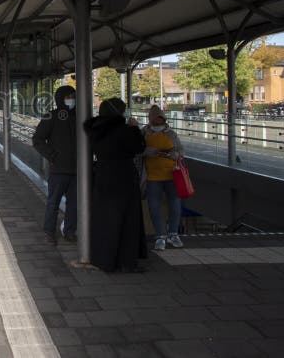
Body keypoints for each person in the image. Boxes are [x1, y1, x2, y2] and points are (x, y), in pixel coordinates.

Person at [84, 97, 148, 273]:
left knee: (105, 218)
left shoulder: (94, 129)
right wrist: (135, 129)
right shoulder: (123, 130)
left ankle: (104, 259)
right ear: (117, 112)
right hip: (123, 176)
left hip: (103, 175)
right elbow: (138, 148)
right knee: (127, 219)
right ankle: (126, 261)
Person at [32, 85, 77, 245]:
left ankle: (69, 231)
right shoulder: (50, 116)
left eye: (73, 96)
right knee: (53, 202)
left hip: (78, 170)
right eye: (69, 96)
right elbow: (37, 140)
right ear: (61, 98)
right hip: (58, 169)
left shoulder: (80, 115)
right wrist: (53, 156)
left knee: (75, 204)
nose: (72, 99)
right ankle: (49, 231)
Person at [142, 105, 185, 251]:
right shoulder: (144, 133)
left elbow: (180, 150)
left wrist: (176, 155)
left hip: (172, 174)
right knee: (154, 206)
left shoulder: (171, 134)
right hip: (152, 176)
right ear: (151, 119)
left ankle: (173, 233)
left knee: (175, 204)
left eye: (161, 118)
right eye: (156, 118)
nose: (159, 121)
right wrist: (146, 151)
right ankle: (160, 235)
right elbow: (136, 149)